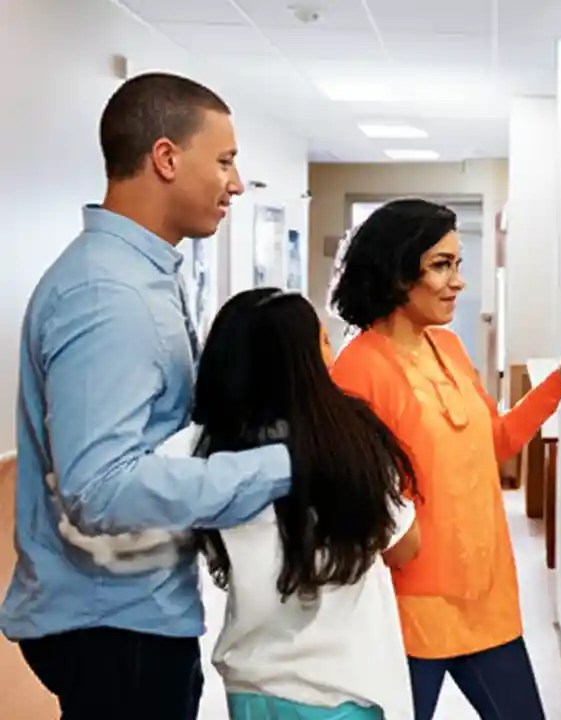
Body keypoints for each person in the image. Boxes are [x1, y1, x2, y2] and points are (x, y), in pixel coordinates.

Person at [0, 72, 293, 718]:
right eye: (224, 161)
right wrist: (287, 467)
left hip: (131, 611)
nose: (236, 184)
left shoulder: (141, 277)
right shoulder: (111, 297)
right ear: (166, 158)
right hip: (113, 627)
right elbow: (101, 489)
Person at [328, 198, 561, 719]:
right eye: (441, 265)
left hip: (486, 595)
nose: (457, 281)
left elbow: (497, 443)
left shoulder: (449, 347)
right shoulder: (357, 371)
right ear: (395, 270)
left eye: (457, 264)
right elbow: (355, 499)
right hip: (409, 606)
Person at [191, 288, 420, 719]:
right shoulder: (351, 441)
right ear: (305, 364)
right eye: (324, 340)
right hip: (340, 691)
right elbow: (406, 545)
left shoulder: (206, 449)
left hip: (252, 688)